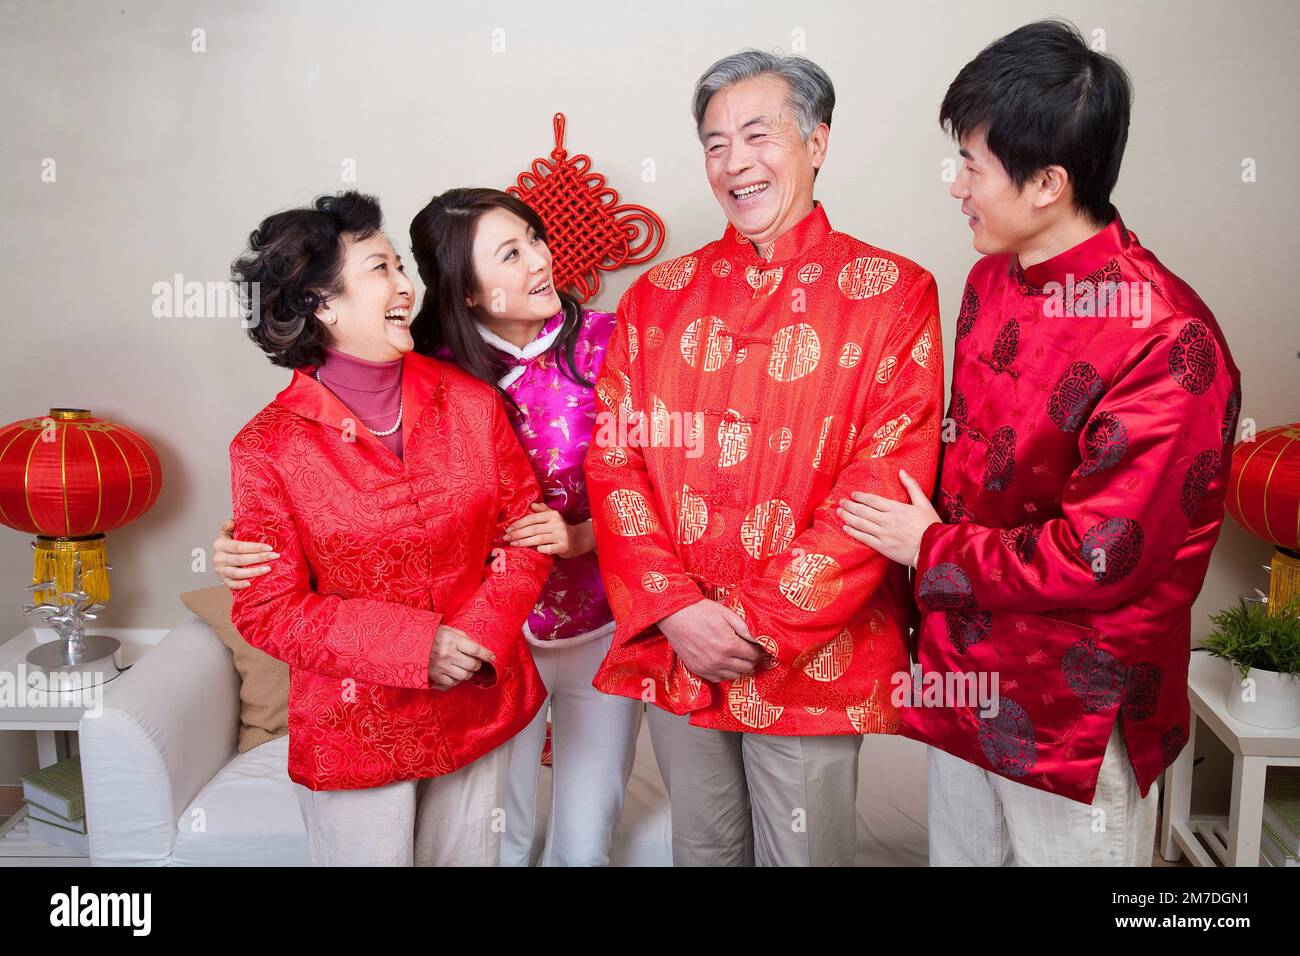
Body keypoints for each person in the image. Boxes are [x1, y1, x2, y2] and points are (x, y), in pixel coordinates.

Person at [839, 20, 1242, 866]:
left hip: (1075, 708)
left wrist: (929, 548)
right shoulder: (992, 278)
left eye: (973, 165)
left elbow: (1104, 558)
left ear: (1049, 182)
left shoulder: (1168, 340)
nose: (955, 186)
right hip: (965, 668)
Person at [584, 50, 945, 866]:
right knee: (703, 851)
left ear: (817, 142)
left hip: (812, 658)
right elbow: (614, 463)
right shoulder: (656, 296)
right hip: (681, 647)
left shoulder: (893, 292)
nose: (734, 162)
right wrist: (676, 610)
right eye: (715, 143)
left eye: (758, 134)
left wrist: (753, 627)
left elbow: (887, 478)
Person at [217, 187, 640, 866]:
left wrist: (469, 640)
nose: (406, 287)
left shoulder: (470, 399)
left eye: (401, 268)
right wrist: (420, 647)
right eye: (381, 270)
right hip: (356, 730)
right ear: (321, 305)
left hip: (477, 710)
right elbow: (270, 608)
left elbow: (519, 537)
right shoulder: (267, 447)